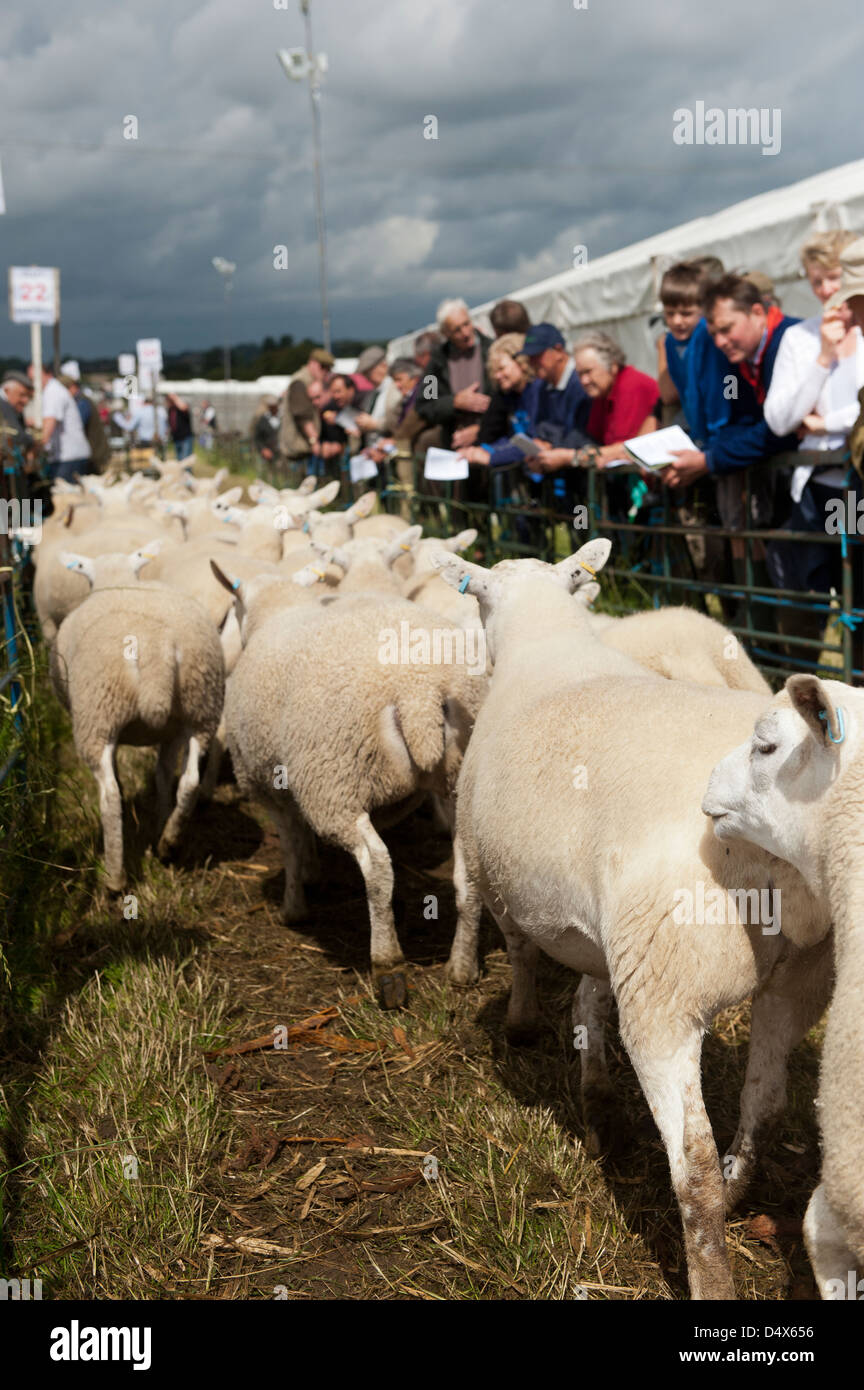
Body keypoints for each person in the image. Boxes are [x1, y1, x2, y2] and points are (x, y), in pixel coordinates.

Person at [763, 231, 864, 635]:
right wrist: (822, 356)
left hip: (855, 484)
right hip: (816, 487)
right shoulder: (800, 338)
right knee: (808, 588)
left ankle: (856, 678)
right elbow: (780, 418)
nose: (827, 290)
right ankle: (803, 675)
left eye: (835, 278)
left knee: (857, 585)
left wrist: (825, 422)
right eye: (816, 280)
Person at [460, 333, 542, 504]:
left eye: (502, 368)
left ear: (521, 363)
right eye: (494, 371)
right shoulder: (510, 397)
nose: (497, 376)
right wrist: (484, 450)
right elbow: (514, 439)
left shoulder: (538, 393)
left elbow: (534, 442)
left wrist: (491, 457)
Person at [415, 298, 492, 455]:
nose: (465, 333)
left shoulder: (491, 350)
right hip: (454, 446)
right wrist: (454, 402)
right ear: (445, 333)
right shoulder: (437, 362)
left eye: (466, 324)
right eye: (457, 330)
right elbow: (425, 406)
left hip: (491, 442)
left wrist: (481, 429)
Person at [29, 364, 92, 482]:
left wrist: (36, 450)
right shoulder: (55, 390)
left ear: (47, 374)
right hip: (71, 455)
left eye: (34, 378)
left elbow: (50, 423)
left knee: (67, 497)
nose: (33, 382)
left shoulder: (52, 392)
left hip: (68, 457)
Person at [278, 347, 334, 471]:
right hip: (298, 448)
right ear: (312, 363)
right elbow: (302, 414)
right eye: (323, 367)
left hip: (303, 446)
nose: (326, 371)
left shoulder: (309, 381)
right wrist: (313, 440)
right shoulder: (300, 382)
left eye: (328, 369)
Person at [61, 370, 110, 474]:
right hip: (94, 452)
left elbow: (77, 424)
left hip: (94, 453)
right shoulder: (82, 401)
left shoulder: (81, 403)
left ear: (72, 387)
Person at [0, 370, 37, 497]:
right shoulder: (3, 405)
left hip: (9, 467)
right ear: (7, 390)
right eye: (21, 395)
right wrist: (32, 440)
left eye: (27, 396)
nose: (25, 400)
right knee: (15, 510)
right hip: (8, 470)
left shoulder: (8, 406)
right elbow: (17, 435)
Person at [251, 395, 280, 469]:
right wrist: (263, 449)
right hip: (268, 453)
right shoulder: (263, 420)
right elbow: (257, 438)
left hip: (281, 454)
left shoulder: (282, 418)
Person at [165, 390, 194, 461]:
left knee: (186, 461)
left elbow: (183, 407)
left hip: (185, 438)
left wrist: (175, 397)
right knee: (179, 460)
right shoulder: (170, 410)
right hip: (176, 438)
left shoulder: (181, 409)